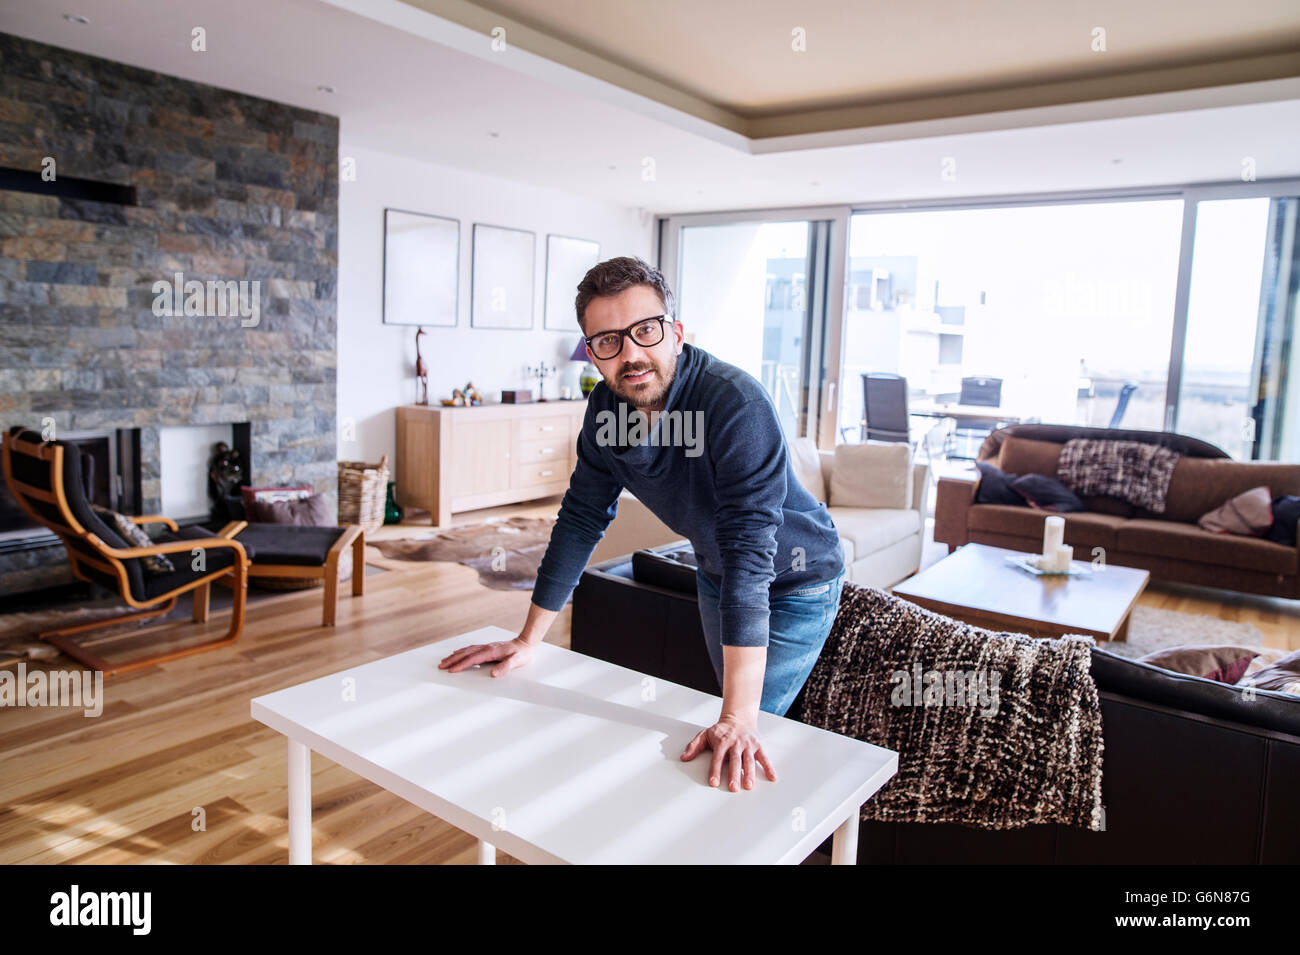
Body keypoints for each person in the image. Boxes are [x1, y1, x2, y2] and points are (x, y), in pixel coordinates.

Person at [439, 256, 846, 794]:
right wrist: (528, 639)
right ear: (592, 353)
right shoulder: (606, 412)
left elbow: (750, 552)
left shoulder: (734, 404)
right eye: (607, 340)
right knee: (724, 732)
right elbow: (581, 517)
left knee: (733, 747)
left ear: (675, 332)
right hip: (715, 572)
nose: (630, 353)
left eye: (645, 331)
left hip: (794, 579)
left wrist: (740, 718)